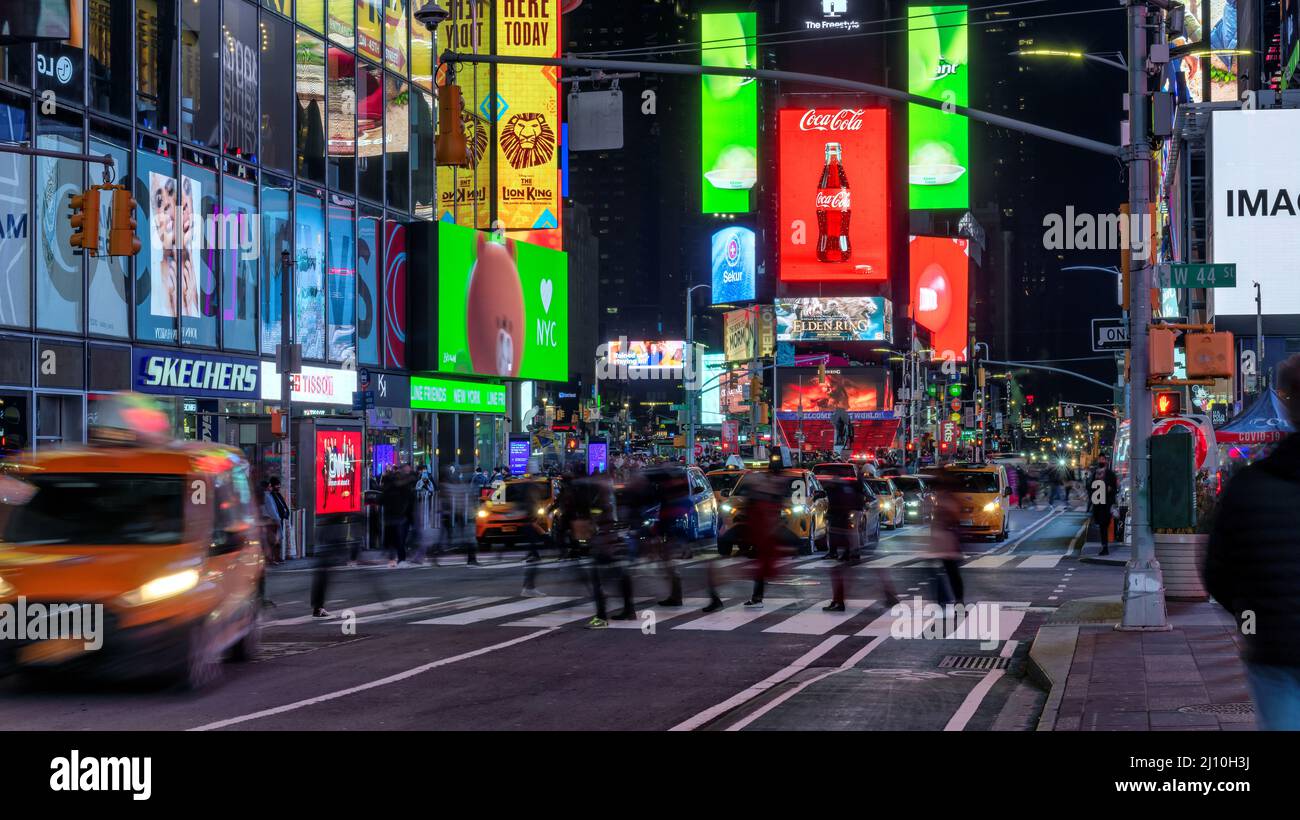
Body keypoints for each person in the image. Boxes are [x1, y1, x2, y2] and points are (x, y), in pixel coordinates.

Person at [1205, 354, 1300, 730]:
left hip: (1274, 651)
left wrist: (1253, 623)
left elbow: (1219, 574)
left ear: (1289, 402)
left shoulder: (1250, 486)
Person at [1087, 456, 1119, 555]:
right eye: (1100, 459)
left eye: (1103, 459)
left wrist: (1111, 491)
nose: (1101, 461)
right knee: (1102, 526)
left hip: (1106, 503)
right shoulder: (1094, 474)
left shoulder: (1110, 474)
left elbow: (1115, 487)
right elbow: (1089, 486)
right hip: (1098, 504)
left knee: (1104, 525)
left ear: (1106, 461)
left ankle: (1105, 546)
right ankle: (1104, 546)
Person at [263, 476, 290, 563]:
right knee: (274, 540)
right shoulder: (268, 496)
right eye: (276, 485)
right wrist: (277, 518)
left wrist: (285, 513)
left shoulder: (274, 495)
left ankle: (276, 557)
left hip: (277, 519)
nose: (278, 487)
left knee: (276, 539)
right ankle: (273, 558)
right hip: (273, 520)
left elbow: (281, 505)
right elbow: (272, 509)